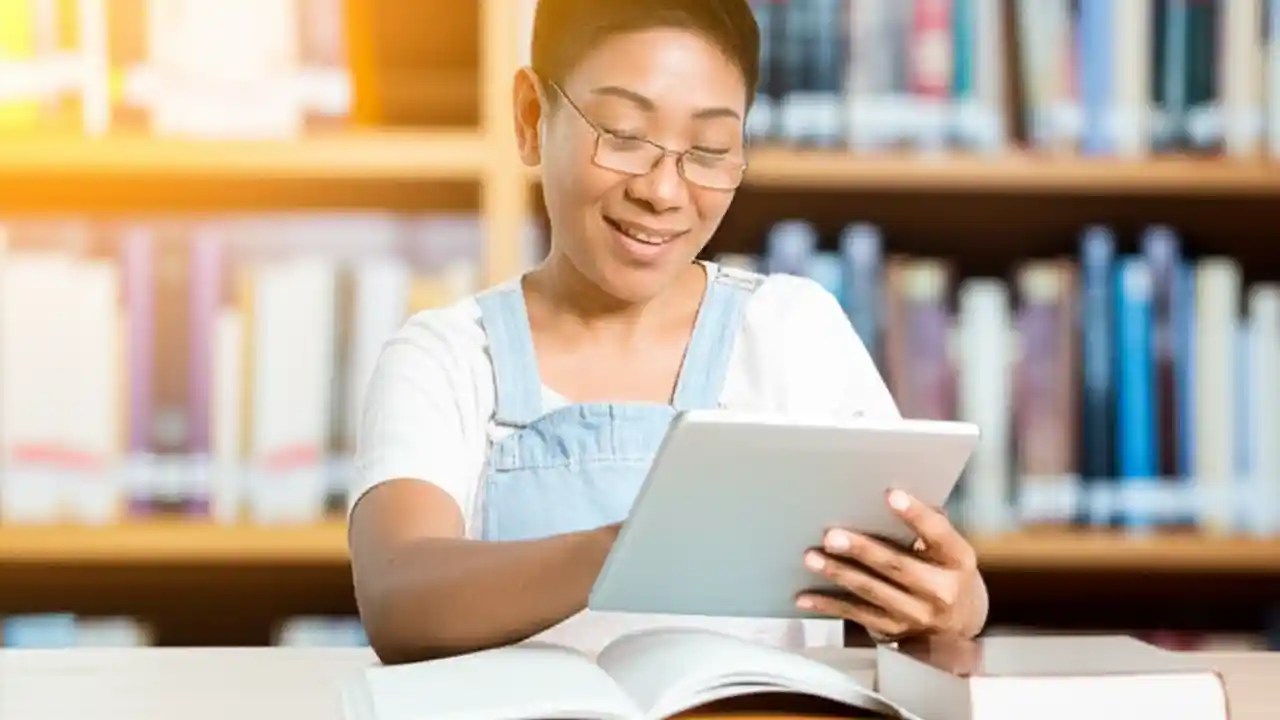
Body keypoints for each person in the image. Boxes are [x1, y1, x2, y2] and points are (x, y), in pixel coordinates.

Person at [347, 0, 989, 665]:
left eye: (710, 151)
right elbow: (400, 596)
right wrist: (637, 548)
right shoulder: (449, 357)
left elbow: (931, 581)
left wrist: (955, 601)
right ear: (532, 118)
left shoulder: (794, 333)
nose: (663, 190)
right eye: (623, 134)